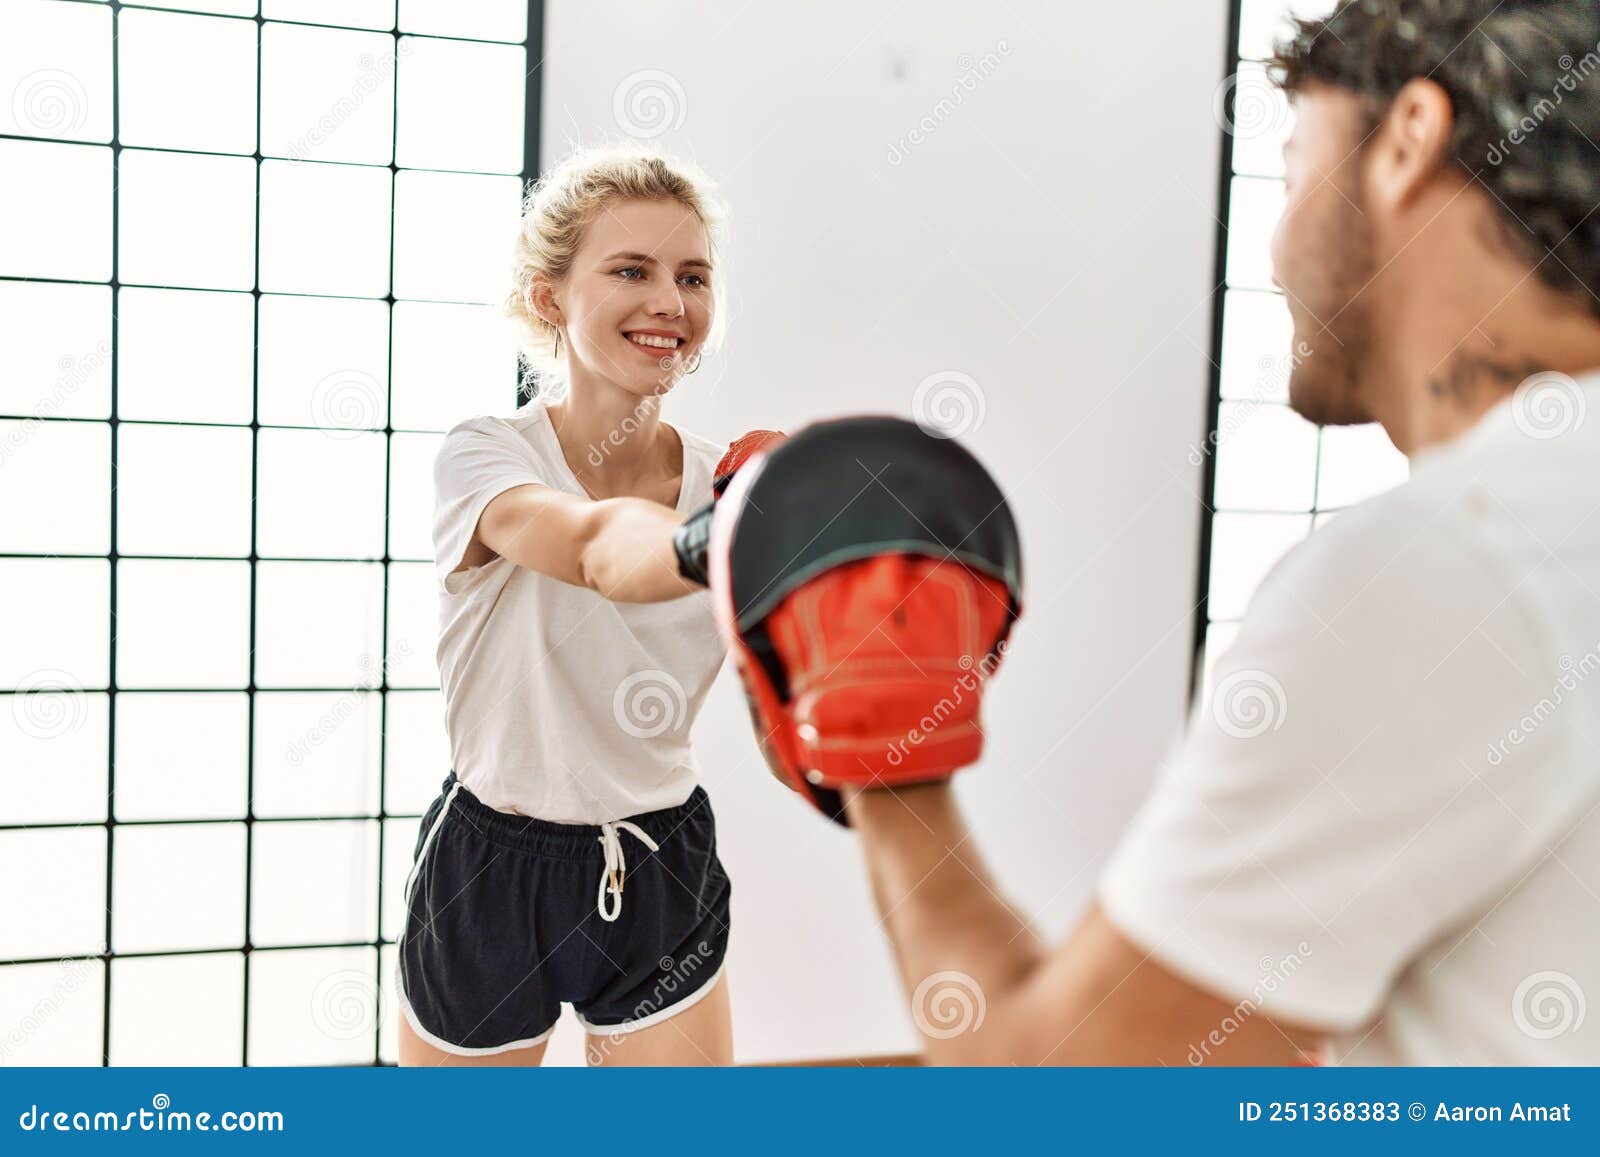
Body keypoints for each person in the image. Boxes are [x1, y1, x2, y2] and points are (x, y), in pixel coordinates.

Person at [738, 0, 1600, 1064]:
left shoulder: (1443, 568)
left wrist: (880, 754)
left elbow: (1057, 1099)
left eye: (1289, 173)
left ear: (1410, 139)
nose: (1279, 255)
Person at [396, 146, 759, 1066]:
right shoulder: (487, 455)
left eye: (693, 276)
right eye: (630, 270)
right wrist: (738, 534)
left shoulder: (733, 482)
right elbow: (595, 548)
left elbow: (785, 712)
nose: (670, 303)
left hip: (661, 857)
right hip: (491, 866)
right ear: (551, 296)